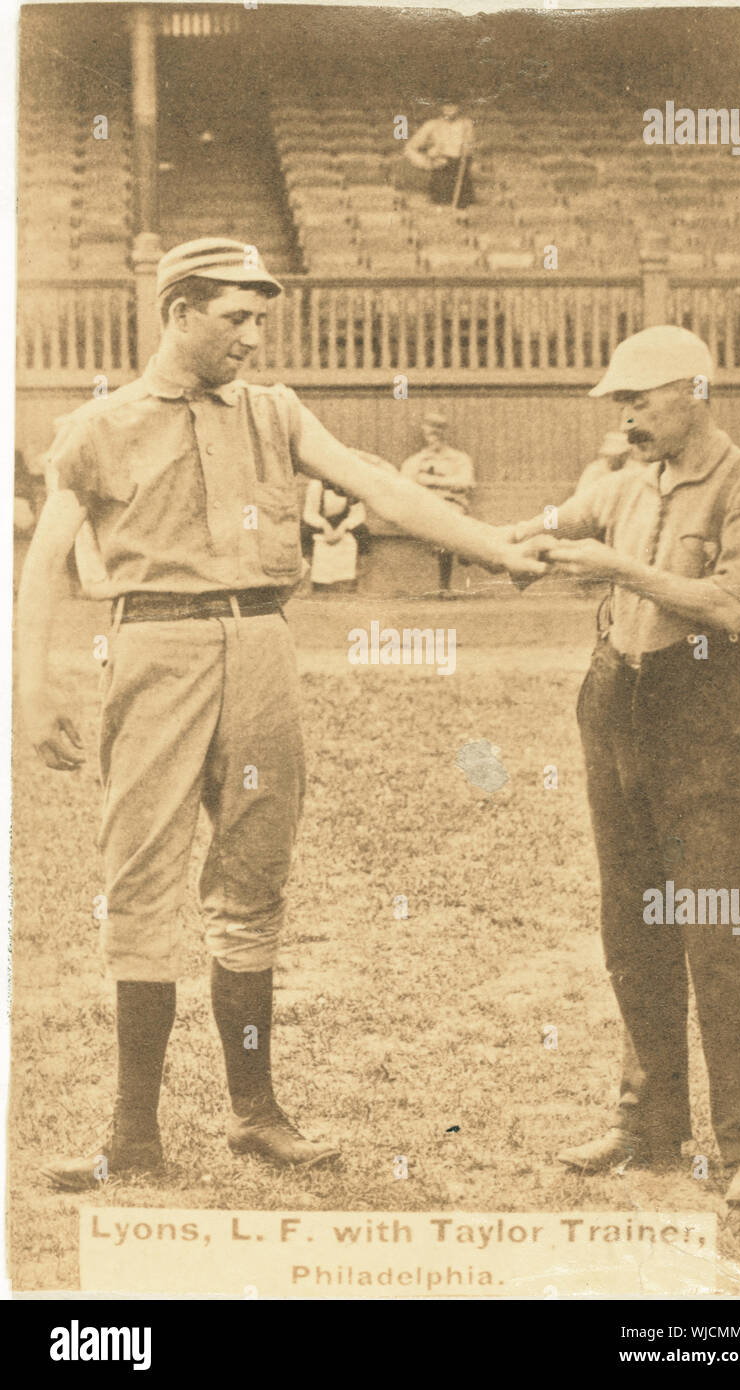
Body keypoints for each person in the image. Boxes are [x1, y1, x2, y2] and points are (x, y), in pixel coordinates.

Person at [18, 237, 547, 1191]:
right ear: (178, 313)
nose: (255, 337)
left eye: (262, 318)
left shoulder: (276, 411)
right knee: (140, 878)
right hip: (155, 648)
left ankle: (254, 1111)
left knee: (255, 873)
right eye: (236, 317)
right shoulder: (99, 427)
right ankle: (132, 1131)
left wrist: (488, 548)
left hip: (261, 644)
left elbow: (374, 483)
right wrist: (33, 690)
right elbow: (45, 559)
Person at [509, 325, 740, 1206]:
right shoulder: (624, 482)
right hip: (615, 703)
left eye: (640, 400)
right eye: (619, 404)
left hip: (701, 715)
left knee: (718, 926)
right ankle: (649, 1124)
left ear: (695, 393)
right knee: (632, 923)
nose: (627, 417)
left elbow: (734, 607)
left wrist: (617, 569)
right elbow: (547, 524)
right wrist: (509, 541)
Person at [400, 413, 475, 593]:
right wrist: (447, 482)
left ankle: (446, 583)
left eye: (438, 434)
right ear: (424, 436)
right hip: (426, 506)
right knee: (442, 524)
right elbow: (403, 484)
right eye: (430, 435)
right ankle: (464, 549)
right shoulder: (416, 460)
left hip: (453, 505)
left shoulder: (459, 458)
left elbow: (466, 482)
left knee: (447, 522)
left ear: (444, 435)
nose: (434, 439)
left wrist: (429, 480)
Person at [404, 99, 475, 208]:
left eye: (453, 104)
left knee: (464, 206)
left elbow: (470, 147)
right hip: (441, 169)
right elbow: (409, 148)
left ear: (459, 107)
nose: (450, 108)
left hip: (461, 171)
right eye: (446, 105)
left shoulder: (466, 124)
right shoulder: (432, 125)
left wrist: (467, 151)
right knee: (440, 205)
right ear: (441, 107)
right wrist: (427, 163)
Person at [302, 477, 367, 591]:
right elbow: (310, 513)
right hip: (322, 521)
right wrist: (324, 526)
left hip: (342, 522)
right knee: (304, 532)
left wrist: (343, 527)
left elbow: (358, 514)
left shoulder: (352, 483)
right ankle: (305, 583)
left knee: (362, 532)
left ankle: (359, 583)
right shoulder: (317, 484)